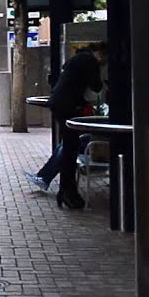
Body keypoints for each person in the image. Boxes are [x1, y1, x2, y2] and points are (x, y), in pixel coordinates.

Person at [25, 41, 108, 210]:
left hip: (61, 105)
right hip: (69, 107)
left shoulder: (78, 58)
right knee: (70, 149)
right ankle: (67, 192)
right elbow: (96, 85)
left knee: (69, 148)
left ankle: (66, 191)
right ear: (100, 53)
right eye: (105, 58)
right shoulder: (88, 61)